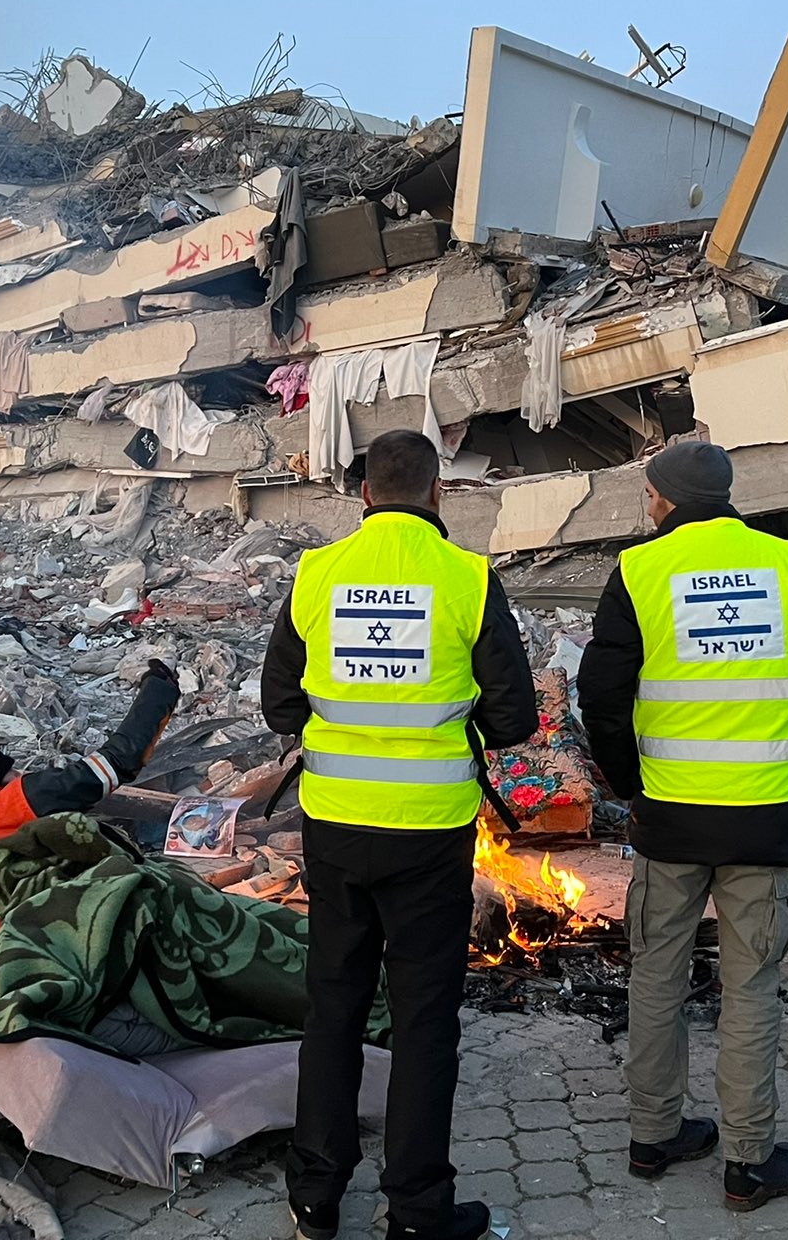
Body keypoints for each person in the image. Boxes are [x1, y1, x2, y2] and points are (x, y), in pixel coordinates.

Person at [579, 441, 788, 1213]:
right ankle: (748, 1161)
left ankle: (653, 1135)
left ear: (664, 498)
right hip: (759, 816)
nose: (646, 505)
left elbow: (601, 693)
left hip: (669, 814)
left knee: (656, 975)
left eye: (647, 494)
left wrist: (630, 783)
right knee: (752, 985)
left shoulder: (640, 571)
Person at [261, 429, 540, 1240]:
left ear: (364, 495)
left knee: (335, 1006)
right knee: (425, 1021)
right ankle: (417, 1210)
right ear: (438, 493)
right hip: (427, 833)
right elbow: (515, 715)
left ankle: (315, 1194)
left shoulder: (319, 573)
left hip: (337, 829)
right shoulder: (466, 578)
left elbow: (281, 703)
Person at [0, 659, 180, 943]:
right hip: (77, 945)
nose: (19, 774)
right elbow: (116, 762)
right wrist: (159, 690)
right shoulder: (12, 803)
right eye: (10, 771)